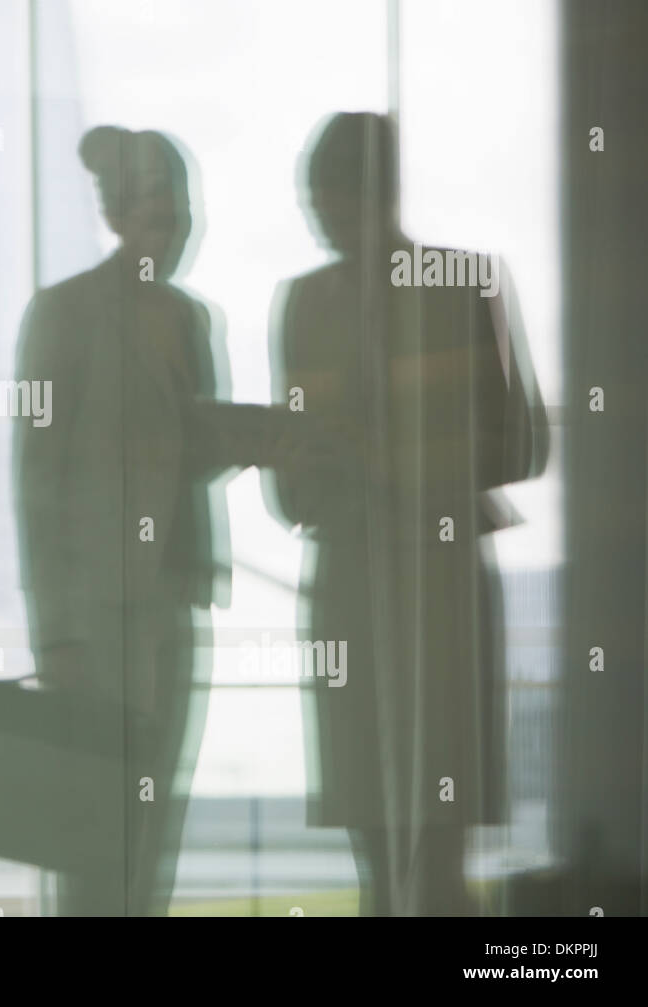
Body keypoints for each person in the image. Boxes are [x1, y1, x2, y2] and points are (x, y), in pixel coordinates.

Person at [263, 112, 549, 915]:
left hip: (417, 573)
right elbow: (519, 442)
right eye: (314, 199)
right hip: (387, 571)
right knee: (382, 839)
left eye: (330, 197)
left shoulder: (442, 283)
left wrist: (381, 462)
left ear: (375, 192)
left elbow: (521, 441)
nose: (320, 217)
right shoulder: (325, 297)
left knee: (423, 843)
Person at [13, 126, 238, 916]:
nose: (177, 232)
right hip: (96, 619)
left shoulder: (189, 318)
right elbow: (36, 484)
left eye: (183, 214)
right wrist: (57, 635)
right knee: (94, 838)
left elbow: (184, 447)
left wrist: (254, 437)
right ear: (119, 215)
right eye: (161, 214)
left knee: (151, 829)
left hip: (174, 601)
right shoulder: (63, 312)